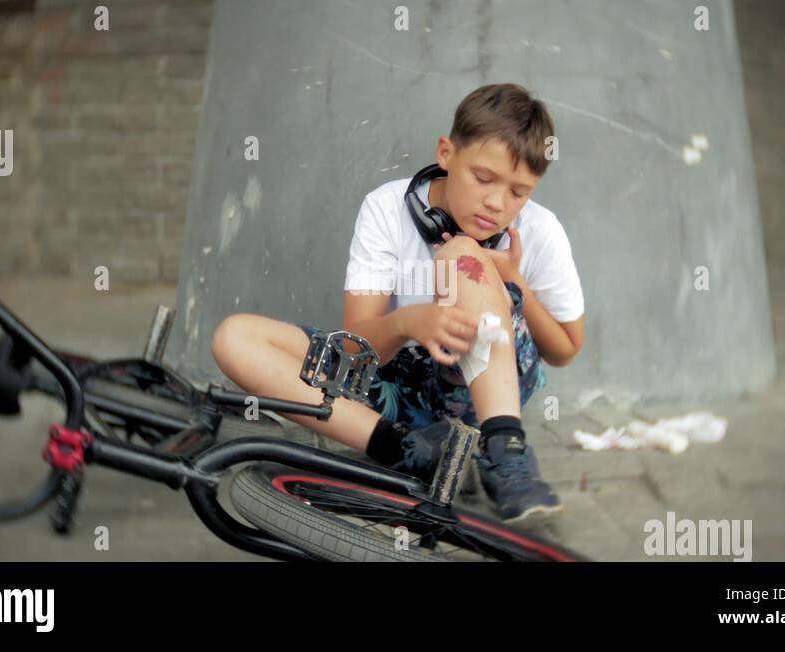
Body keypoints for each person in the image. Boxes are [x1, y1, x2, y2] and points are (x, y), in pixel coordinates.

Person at [212, 83, 585, 524]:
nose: (497, 203)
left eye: (519, 192)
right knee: (235, 338)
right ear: (446, 153)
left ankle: (505, 450)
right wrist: (410, 322)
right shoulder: (386, 208)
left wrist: (512, 280)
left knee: (461, 256)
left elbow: (565, 349)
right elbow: (355, 350)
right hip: (397, 385)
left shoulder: (541, 230)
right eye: (483, 179)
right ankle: (410, 451)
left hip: (482, 388)